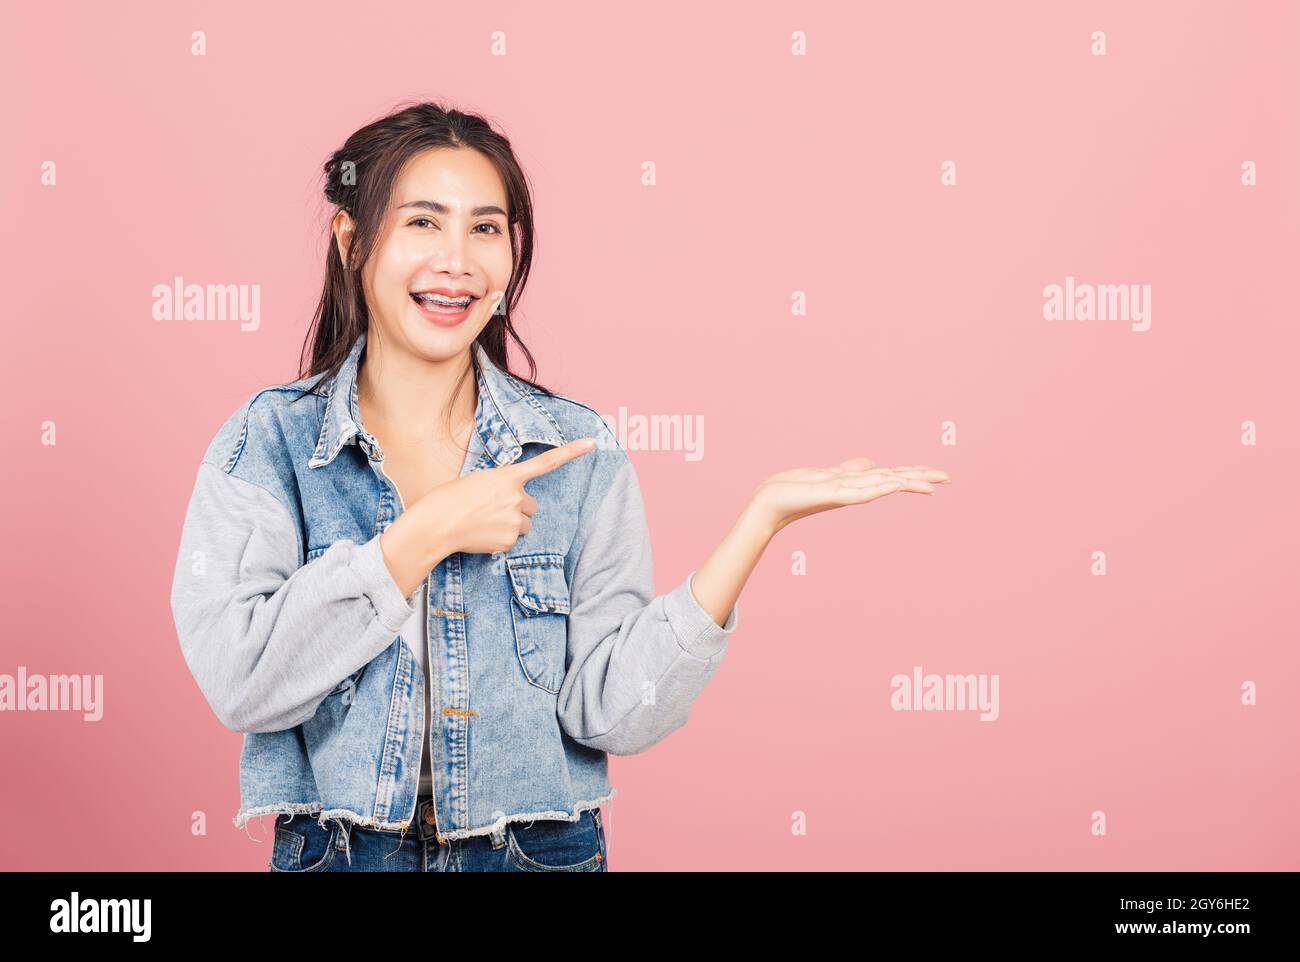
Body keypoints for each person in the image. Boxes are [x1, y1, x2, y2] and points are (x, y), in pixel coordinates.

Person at [169, 100, 950, 872]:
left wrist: (759, 522)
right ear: (352, 240)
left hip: (535, 856)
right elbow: (241, 682)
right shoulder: (268, 442)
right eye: (422, 222)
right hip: (341, 855)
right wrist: (425, 534)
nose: (457, 259)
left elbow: (611, 713)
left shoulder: (575, 452)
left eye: (484, 227)